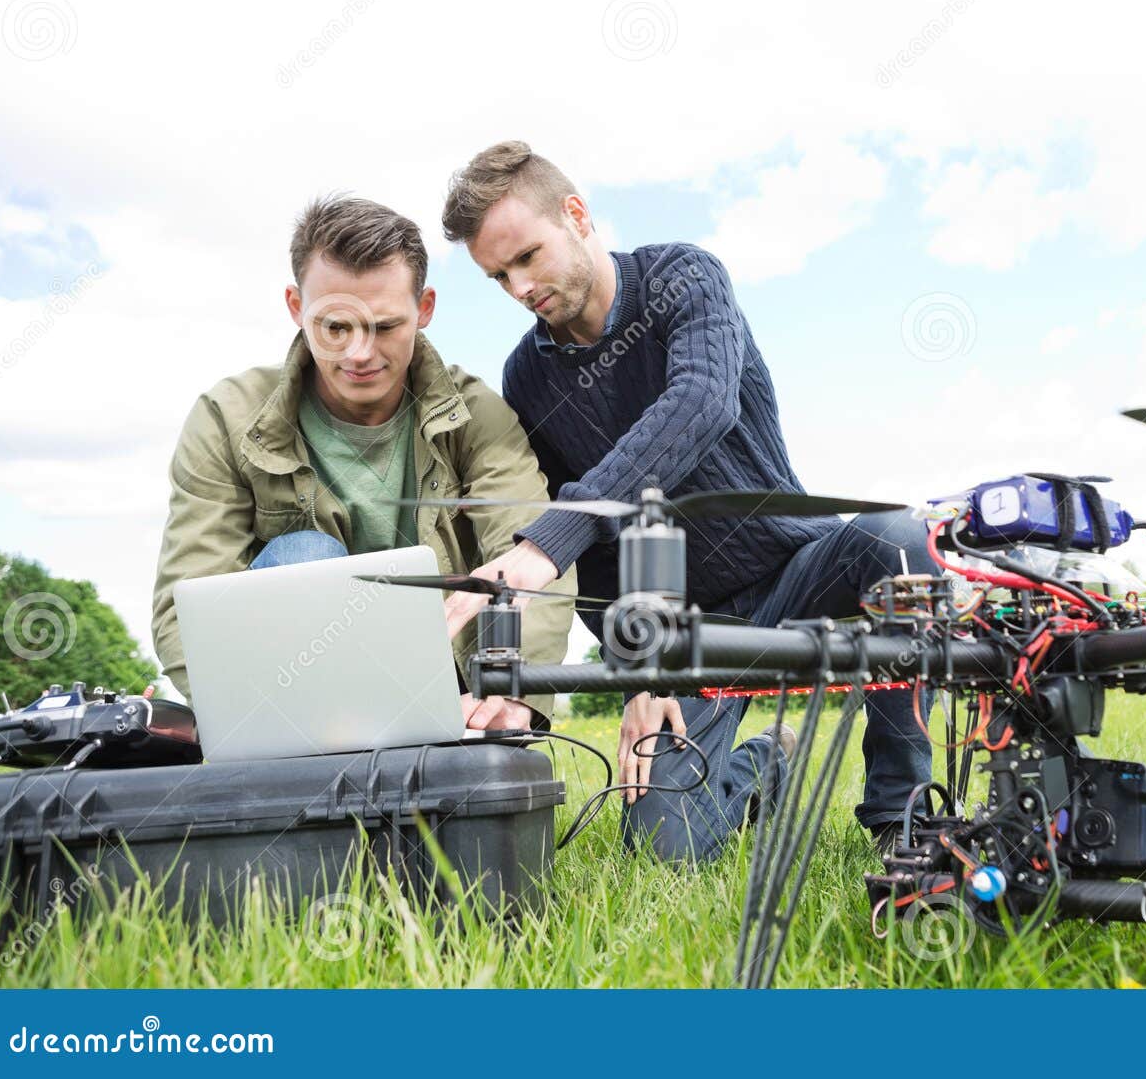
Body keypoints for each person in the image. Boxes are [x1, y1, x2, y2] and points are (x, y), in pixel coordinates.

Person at [439, 141, 937, 862]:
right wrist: (643, 661)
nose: (519, 287)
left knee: (898, 537)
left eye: (527, 256)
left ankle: (902, 814)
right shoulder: (528, 378)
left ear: (575, 214)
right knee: (665, 848)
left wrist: (548, 539)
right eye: (498, 276)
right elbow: (596, 570)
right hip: (691, 632)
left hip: (800, 568)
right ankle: (770, 757)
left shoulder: (683, 278)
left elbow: (702, 404)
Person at [151, 195, 576, 728]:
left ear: (424, 310)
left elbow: (532, 555)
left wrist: (513, 695)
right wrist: (247, 709)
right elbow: (185, 604)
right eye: (335, 327)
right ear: (294, 306)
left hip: (451, 686)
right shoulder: (226, 416)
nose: (358, 353)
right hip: (297, 696)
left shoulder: (477, 414)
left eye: (384, 326)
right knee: (303, 552)